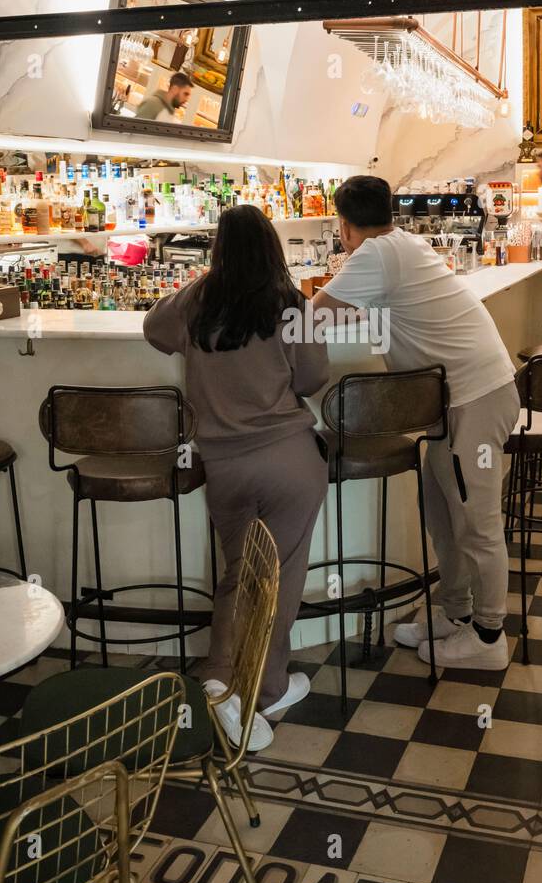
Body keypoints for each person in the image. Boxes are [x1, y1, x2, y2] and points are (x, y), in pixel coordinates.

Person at [313, 175, 519, 670]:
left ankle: (490, 638)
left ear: (343, 225)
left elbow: (314, 319)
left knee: (477, 523)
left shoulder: (376, 254)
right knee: (444, 517)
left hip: (476, 397)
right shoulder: (402, 244)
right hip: (457, 400)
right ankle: (458, 615)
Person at [144, 205, 329, 749]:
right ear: (273, 248)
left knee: (237, 576)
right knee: (280, 578)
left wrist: (206, 284)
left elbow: (153, 329)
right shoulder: (289, 304)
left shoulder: (197, 302)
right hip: (289, 460)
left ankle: (218, 680)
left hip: (223, 465)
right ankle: (262, 693)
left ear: (217, 251)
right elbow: (315, 377)